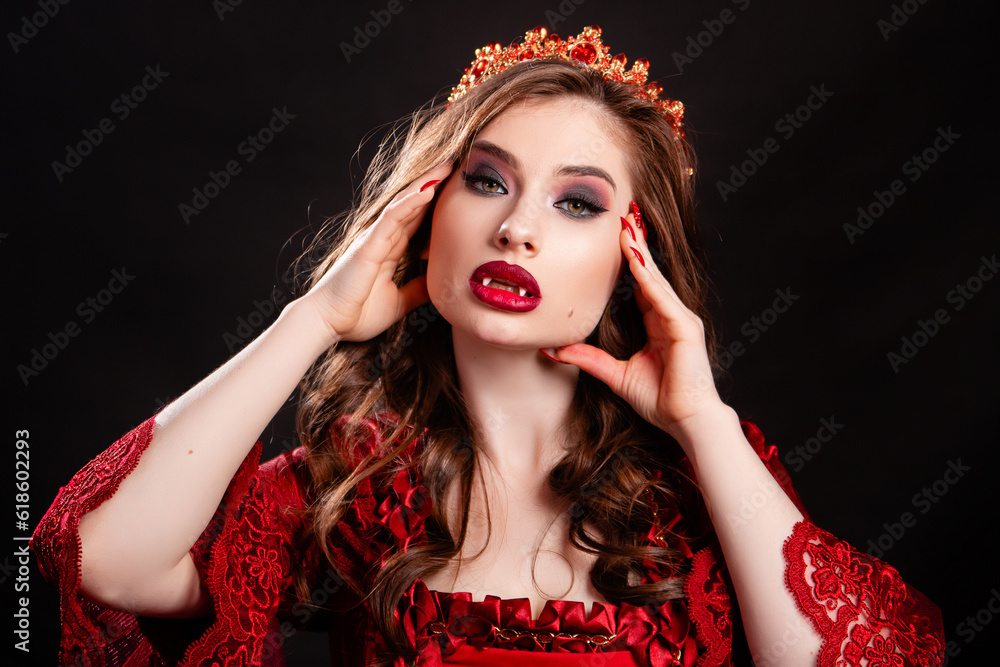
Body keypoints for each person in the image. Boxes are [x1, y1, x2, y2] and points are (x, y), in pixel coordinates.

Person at [32, 26, 944, 667]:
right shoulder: (356, 488)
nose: (516, 228)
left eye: (576, 202)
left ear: (632, 260)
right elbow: (101, 559)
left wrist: (705, 423)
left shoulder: (701, 487)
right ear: (428, 212)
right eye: (487, 181)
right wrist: (313, 317)